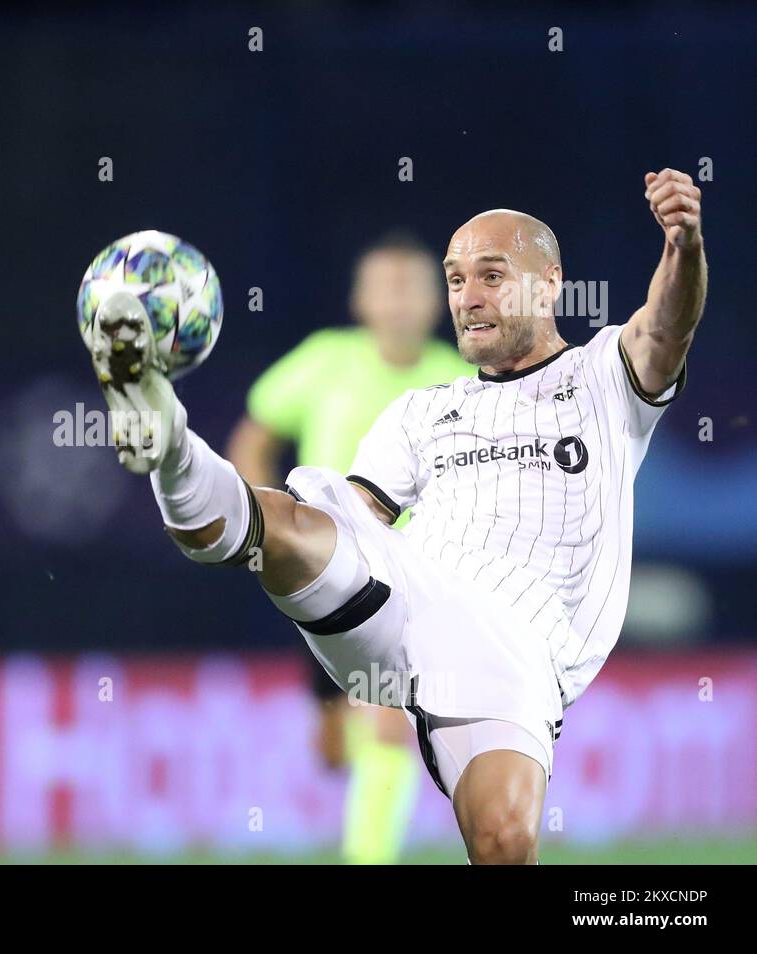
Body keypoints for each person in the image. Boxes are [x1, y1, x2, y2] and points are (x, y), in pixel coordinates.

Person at [88, 173, 702, 862]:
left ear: (550, 284)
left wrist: (683, 245)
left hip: (519, 652)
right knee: (290, 527)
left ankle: (176, 450)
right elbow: (354, 523)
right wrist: (294, 555)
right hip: (409, 602)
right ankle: (166, 435)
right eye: (456, 279)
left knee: (504, 840)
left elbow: (667, 325)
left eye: (491, 276)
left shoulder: (603, 378)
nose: (466, 297)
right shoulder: (421, 409)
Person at [227, 233, 473, 864]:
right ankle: (337, 727)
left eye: (412, 287)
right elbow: (255, 434)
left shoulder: (459, 380)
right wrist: (263, 520)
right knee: (337, 745)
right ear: (360, 300)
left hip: (411, 580)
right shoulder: (325, 360)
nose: (398, 301)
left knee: (389, 721)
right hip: (317, 568)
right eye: (385, 287)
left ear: (437, 300)